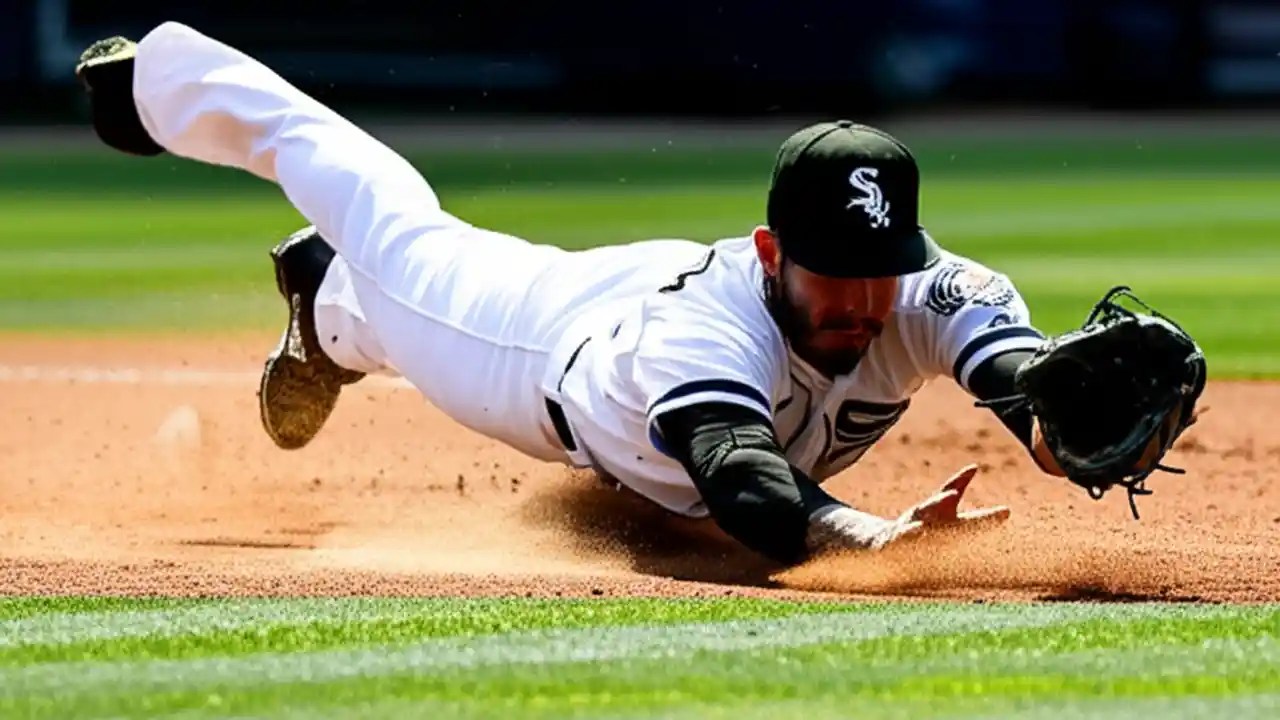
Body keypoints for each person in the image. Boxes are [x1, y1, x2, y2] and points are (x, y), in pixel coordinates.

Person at [74, 22, 1088, 567]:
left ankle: (328, 304)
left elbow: (1017, 373)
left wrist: (1063, 418)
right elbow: (747, 490)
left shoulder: (915, 289)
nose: (864, 299)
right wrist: (877, 539)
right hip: (534, 348)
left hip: (658, 299)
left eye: (881, 269)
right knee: (392, 220)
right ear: (772, 251)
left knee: (374, 281)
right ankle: (161, 85)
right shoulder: (696, 338)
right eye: (833, 270)